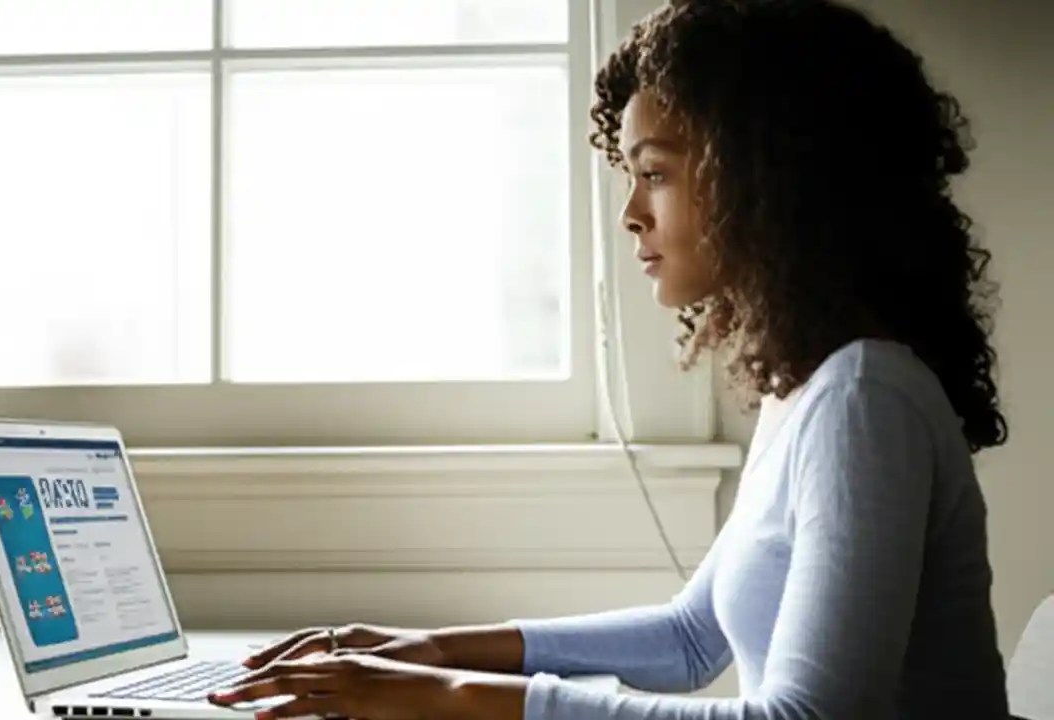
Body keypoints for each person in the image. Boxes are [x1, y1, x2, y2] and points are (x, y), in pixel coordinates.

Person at [208, 0, 1011, 718]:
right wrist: (434, 651)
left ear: (768, 182)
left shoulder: (864, 396)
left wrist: (451, 698)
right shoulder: (805, 390)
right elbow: (690, 638)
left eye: (654, 173)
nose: (630, 214)